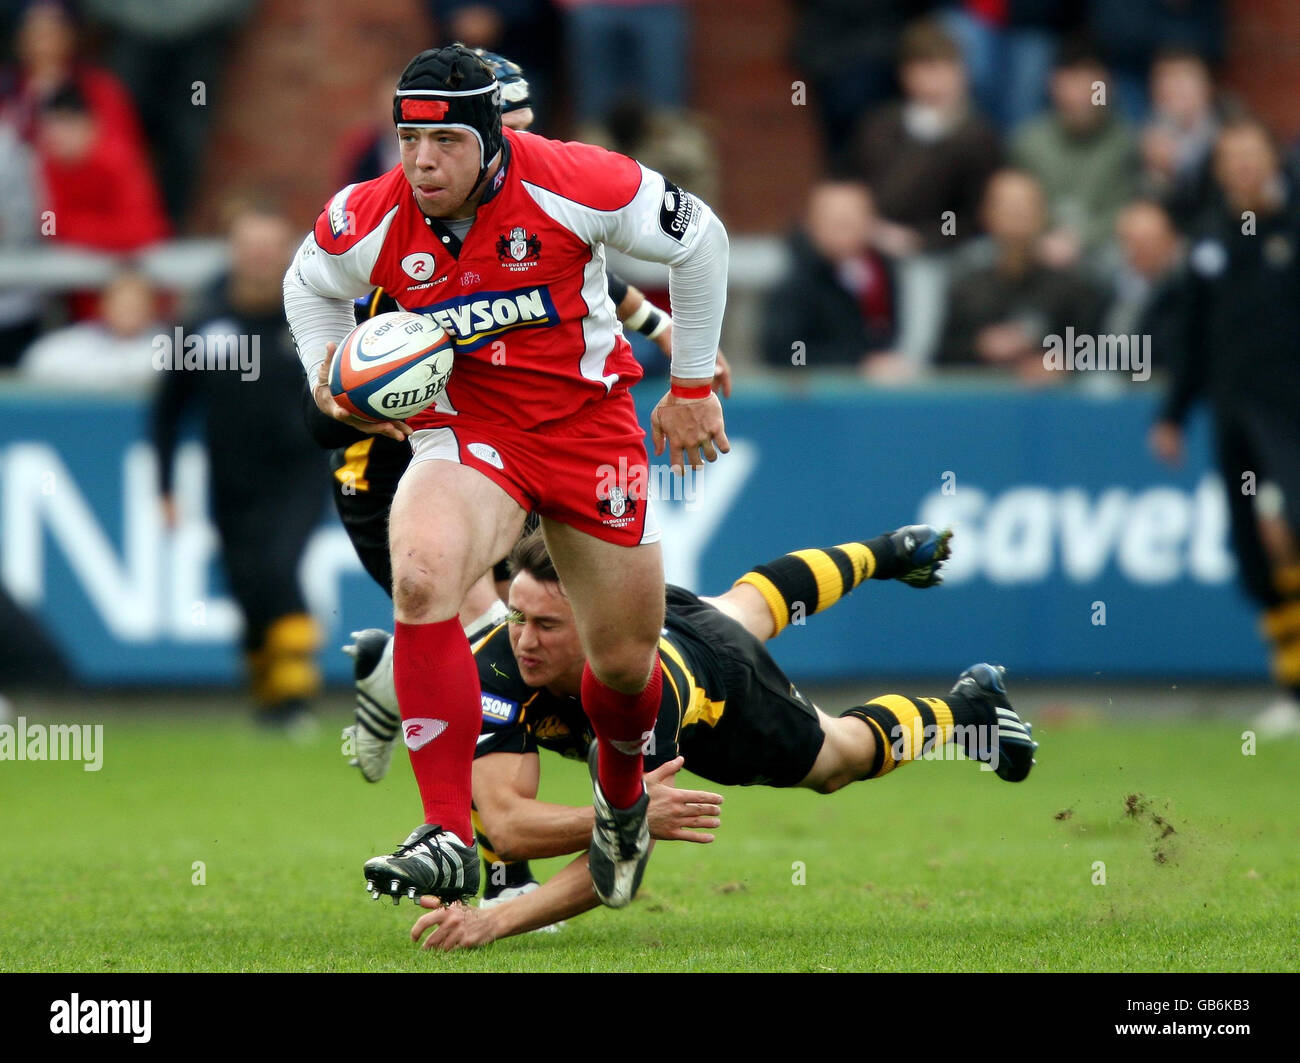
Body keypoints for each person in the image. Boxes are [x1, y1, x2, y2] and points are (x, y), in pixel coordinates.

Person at [284, 45, 729, 909]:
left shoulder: (575, 179)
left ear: (491, 140)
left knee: (627, 668)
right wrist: (326, 373)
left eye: (445, 141)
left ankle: (623, 799)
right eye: (408, 140)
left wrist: (692, 383)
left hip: (587, 425)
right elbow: (308, 283)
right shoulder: (369, 213)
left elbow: (701, 240)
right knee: (421, 576)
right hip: (469, 429)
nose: (421, 162)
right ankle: (448, 831)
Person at [398, 524, 1037, 949]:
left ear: (595, 623)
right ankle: (889, 551)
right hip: (667, 614)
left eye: (546, 625)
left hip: (722, 691)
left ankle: (967, 710)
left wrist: (494, 921)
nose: (525, 641)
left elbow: (619, 871)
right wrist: (626, 810)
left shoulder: (646, 700)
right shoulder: (495, 664)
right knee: (743, 604)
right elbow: (506, 824)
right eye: (517, 618)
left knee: (837, 759)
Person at [1148, 116, 1300, 737]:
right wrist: (1174, 414)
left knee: (1289, 531)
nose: (1242, 165)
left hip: (1292, 417)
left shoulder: (1294, 232)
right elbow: (1193, 340)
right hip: (1235, 419)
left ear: (1272, 160)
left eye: (1251, 151)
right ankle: (1293, 687)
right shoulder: (1209, 245)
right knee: (1252, 552)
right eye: (1230, 155)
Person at [155, 199, 329, 733]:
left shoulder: (310, 318)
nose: (259, 258)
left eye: (270, 247)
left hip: (299, 474)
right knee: (247, 582)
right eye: (249, 247)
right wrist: (164, 487)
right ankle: (268, 693)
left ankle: (297, 695)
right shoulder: (202, 325)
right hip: (229, 480)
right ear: (232, 252)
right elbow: (167, 410)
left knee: (279, 566)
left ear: (286, 252)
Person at [935, 168, 1104, 381]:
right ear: (987, 214)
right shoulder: (965, 288)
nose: (1016, 215)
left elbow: (1095, 352)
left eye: (1025, 206)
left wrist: (1062, 364)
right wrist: (980, 346)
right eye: (1007, 206)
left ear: (1042, 214)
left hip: (1049, 404)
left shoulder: (1073, 290)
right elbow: (941, 358)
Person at [761, 179, 900, 377]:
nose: (847, 232)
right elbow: (781, 353)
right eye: (838, 223)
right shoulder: (796, 282)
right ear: (813, 224)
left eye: (854, 221)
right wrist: (858, 364)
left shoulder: (881, 272)